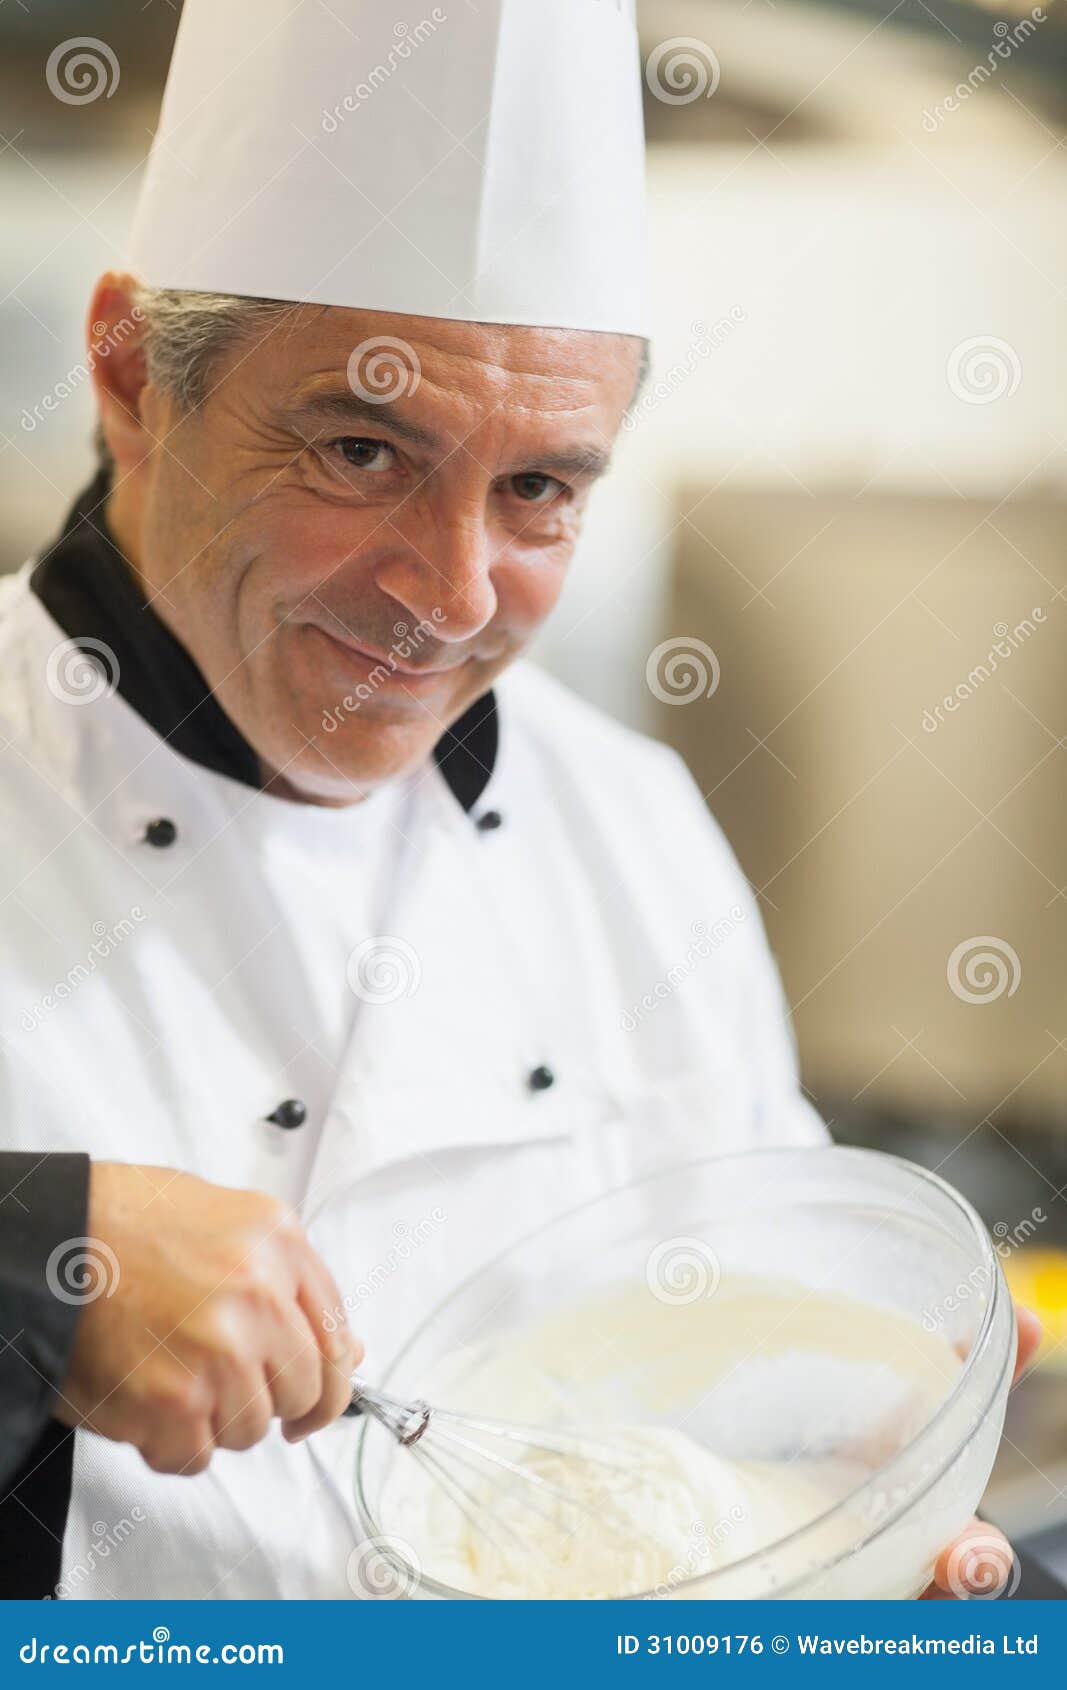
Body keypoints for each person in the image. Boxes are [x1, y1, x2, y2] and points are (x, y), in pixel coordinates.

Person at [0, 0, 1040, 1599]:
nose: (452, 587)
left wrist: (871, 1547)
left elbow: (777, 1399)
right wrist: (31, 1262)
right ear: (135, 375)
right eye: (360, 450)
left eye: (540, 486)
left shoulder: (633, 829)